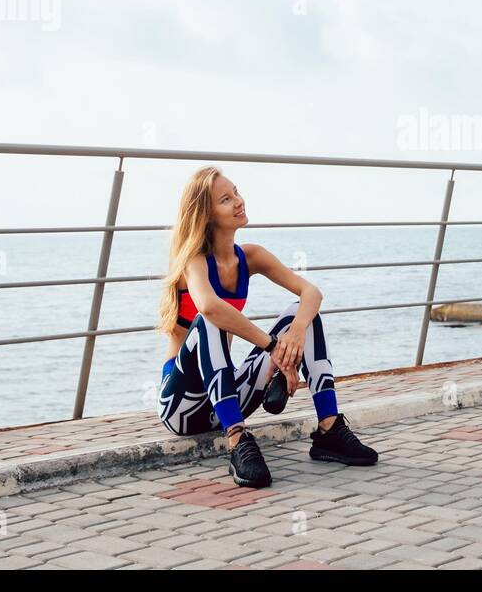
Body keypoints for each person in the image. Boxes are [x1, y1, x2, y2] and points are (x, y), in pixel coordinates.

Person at [155, 166, 378, 487]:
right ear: (205, 214)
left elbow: (311, 292)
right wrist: (273, 347)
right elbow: (208, 306)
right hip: (183, 406)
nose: (238, 202)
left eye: (237, 192)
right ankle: (237, 440)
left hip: (226, 396)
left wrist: (296, 332)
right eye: (225, 199)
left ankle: (329, 428)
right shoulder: (195, 261)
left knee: (304, 312)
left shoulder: (251, 255)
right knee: (211, 318)